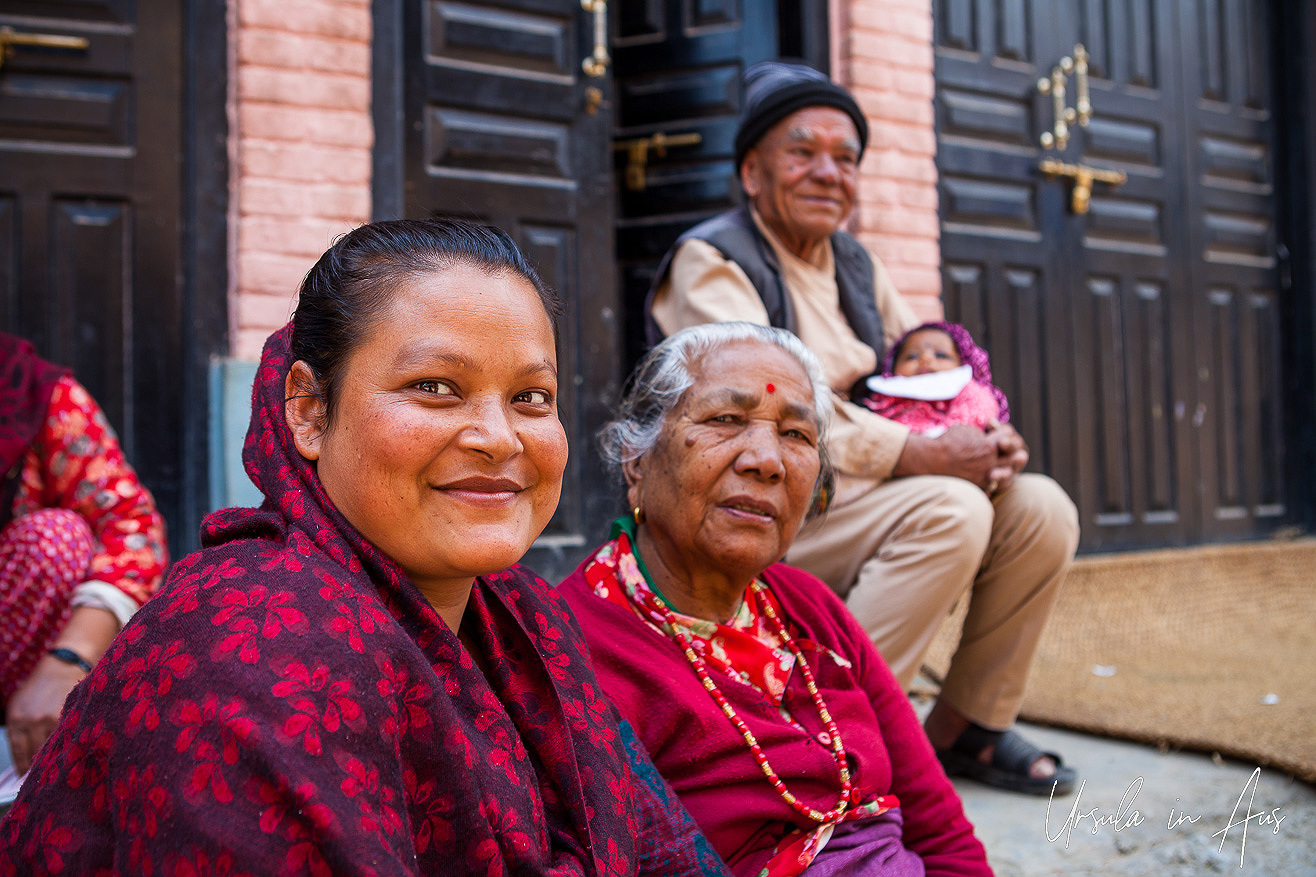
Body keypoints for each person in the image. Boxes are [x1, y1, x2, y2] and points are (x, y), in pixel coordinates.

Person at [0, 219, 728, 875]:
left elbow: (665, 847)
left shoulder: (524, 618)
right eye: (436, 386)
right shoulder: (253, 646)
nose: (501, 437)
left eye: (530, 398)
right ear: (310, 411)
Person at [647, 59, 1080, 796]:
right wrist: (920, 450)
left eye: (845, 159)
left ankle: (965, 725)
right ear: (752, 172)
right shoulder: (712, 259)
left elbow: (932, 373)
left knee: (1040, 508)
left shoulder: (857, 263)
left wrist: (985, 433)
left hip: (854, 486)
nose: (828, 173)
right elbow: (760, 408)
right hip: (761, 493)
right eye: (803, 152)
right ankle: (825, 737)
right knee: (952, 507)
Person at [561, 322, 993, 876]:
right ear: (636, 460)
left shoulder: (808, 609)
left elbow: (942, 832)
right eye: (724, 420)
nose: (767, 460)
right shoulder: (573, 650)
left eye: (796, 434)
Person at [0, 332, 168, 777]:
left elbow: (133, 528)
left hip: (20, 669)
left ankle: (33, 755)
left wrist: (68, 661)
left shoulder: (34, 392)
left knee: (58, 539)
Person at [859, 321, 1009, 437]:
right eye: (912, 356)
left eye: (941, 355)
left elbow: (980, 412)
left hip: (956, 452)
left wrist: (946, 437)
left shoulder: (968, 390)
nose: (926, 359)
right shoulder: (883, 398)